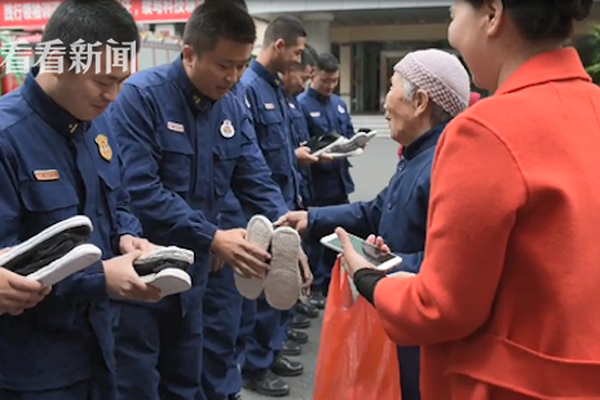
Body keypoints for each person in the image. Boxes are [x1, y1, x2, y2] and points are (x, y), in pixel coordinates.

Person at [335, 1, 600, 399]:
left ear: (492, 15)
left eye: (453, 15)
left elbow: (439, 307)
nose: (453, 34)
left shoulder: (483, 131)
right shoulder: (591, 106)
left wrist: (369, 279)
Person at [108, 2, 294, 400]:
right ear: (189, 53)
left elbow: (254, 175)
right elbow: (139, 189)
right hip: (144, 269)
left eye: (242, 65)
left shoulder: (231, 104)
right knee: (138, 379)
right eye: (225, 65)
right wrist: (211, 235)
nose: (234, 77)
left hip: (198, 276)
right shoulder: (143, 97)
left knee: (188, 378)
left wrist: (286, 229)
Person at [278, 49, 471, 400]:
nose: (385, 102)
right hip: (399, 316)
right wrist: (312, 219)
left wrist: (378, 268)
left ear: (420, 102)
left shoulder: (446, 166)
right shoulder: (418, 156)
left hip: (420, 335)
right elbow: (375, 210)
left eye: (392, 88)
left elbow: (451, 268)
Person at [0, 1, 162, 399]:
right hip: (33, 365)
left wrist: (127, 234)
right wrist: (100, 277)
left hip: (101, 345)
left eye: (123, 80)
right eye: (104, 80)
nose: (113, 95)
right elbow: (9, 264)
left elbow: (117, 199)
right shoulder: (7, 138)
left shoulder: (97, 124)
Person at [238, 15, 307, 397]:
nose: (298, 61)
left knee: (282, 283)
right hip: (261, 209)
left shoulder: (275, 89)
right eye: (296, 52)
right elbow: (250, 159)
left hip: (281, 201)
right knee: (263, 291)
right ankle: (255, 365)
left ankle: (271, 350)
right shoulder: (248, 87)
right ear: (279, 46)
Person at [297, 52, 356, 308]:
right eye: (325, 80)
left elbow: (349, 133)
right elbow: (302, 144)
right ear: (314, 76)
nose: (330, 86)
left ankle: (332, 282)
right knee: (314, 237)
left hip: (339, 181)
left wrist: (355, 143)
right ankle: (315, 286)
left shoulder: (338, 104)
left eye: (334, 81)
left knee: (338, 233)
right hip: (316, 183)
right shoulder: (302, 104)